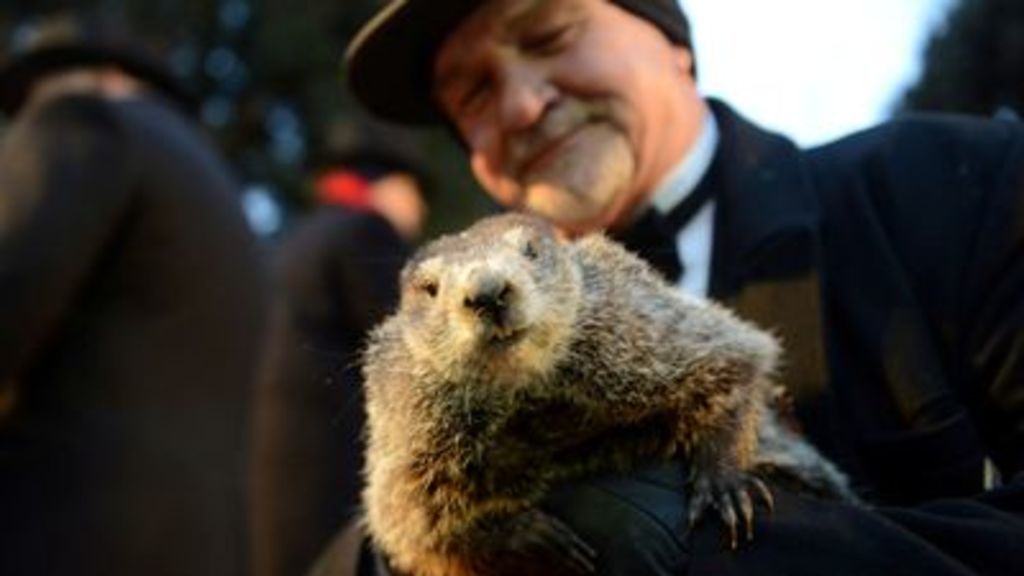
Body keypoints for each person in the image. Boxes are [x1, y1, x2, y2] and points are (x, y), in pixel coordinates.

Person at [328, 0, 1024, 574]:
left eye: (549, 33)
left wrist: (723, 556)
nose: (519, 106)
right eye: (474, 93)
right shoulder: (451, 326)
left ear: (674, 41)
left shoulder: (954, 184)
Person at [0, 14, 268, 576]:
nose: (26, 119)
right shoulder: (218, 190)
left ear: (106, 76)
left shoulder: (85, 121)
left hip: (59, 534)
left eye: (36, 95)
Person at [250, 125, 430, 576]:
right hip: (335, 483)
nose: (421, 208)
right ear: (390, 186)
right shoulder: (365, 232)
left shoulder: (294, 240)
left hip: (268, 489)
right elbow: (418, 349)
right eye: (415, 191)